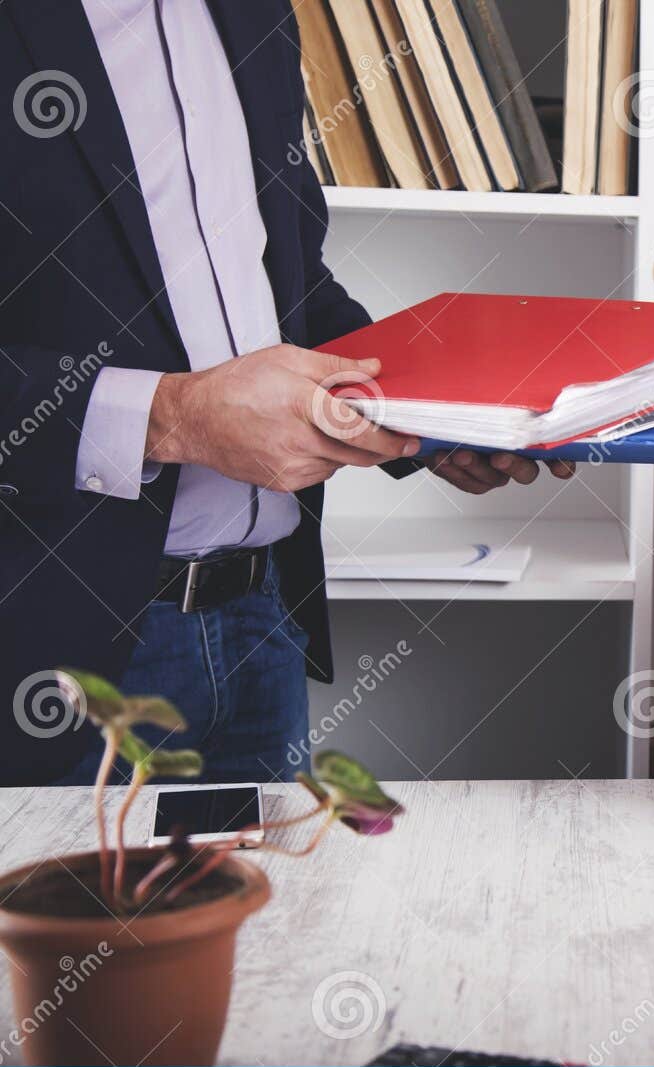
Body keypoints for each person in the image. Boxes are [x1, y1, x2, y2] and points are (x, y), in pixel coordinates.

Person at [0, 0, 566, 786]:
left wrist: (434, 413)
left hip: (262, 620)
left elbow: (293, 283)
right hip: (58, 656)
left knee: (268, 912)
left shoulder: (257, 12)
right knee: (81, 913)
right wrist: (174, 418)